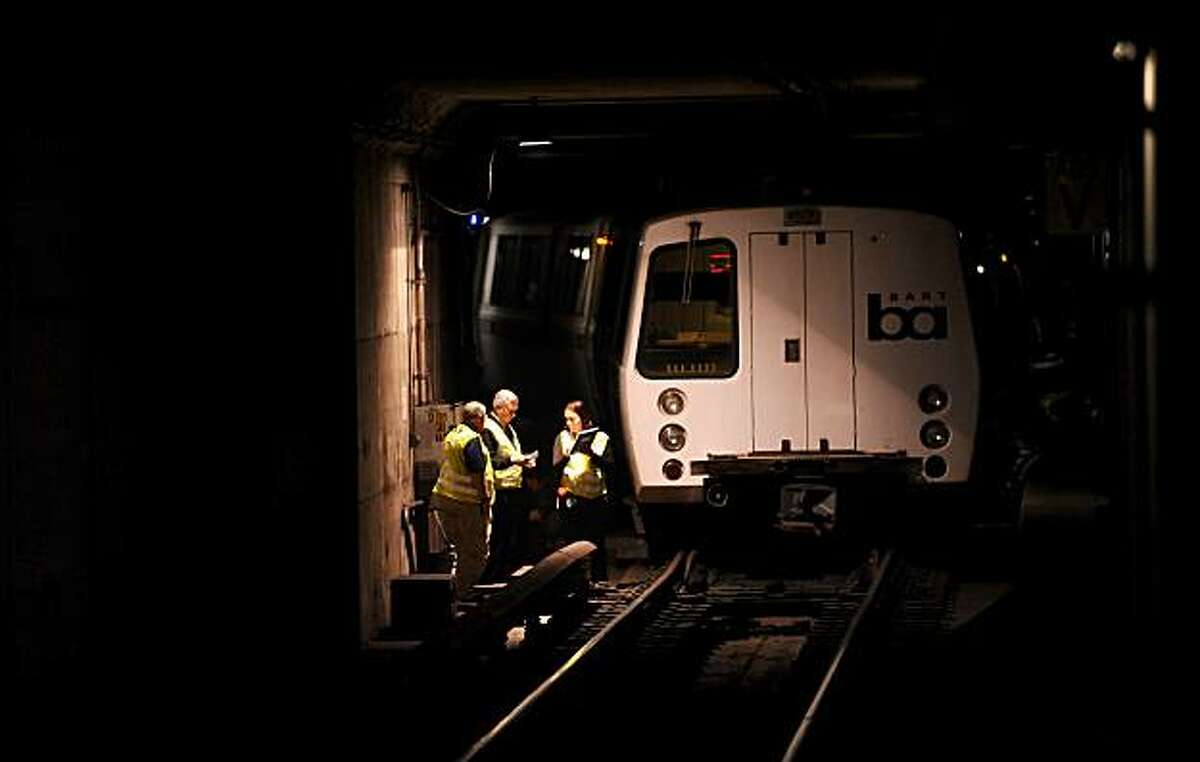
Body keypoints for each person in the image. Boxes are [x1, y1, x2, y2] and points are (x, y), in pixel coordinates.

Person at [430, 401, 494, 594]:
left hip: (444, 499)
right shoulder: (472, 440)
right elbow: (476, 474)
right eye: (484, 418)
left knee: (459, 550)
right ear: (478, 418)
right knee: (476, 553)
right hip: (466, 503)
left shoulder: (453, 435)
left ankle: (456, 593)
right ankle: (461, 593)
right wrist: (484, 500)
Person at [480, 389, 538, 581]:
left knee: (510, 536)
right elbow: (493, 460)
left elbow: (511, 454)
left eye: (515, 411)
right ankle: (492, 577)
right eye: (510, 411)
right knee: (498, 537)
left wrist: (524, 462)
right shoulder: (488, 428)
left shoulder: (508, 428)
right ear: (498, 408)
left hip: (512, 489)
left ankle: (504, 573)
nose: (514, 415)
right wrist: (515, 460)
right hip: (499, 491)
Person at [552, 400, 612, 582]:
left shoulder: (601, 437)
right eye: (566, 420)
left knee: (596, 542)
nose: (568, 424)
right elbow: (554, 466)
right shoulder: (562, 437)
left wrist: (592, 454)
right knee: (571, 542)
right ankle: (574, 581)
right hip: (572, 496)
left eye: (572, 419)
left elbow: (610, 464)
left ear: (584, 419)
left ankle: (599, 581)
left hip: (595, 497)